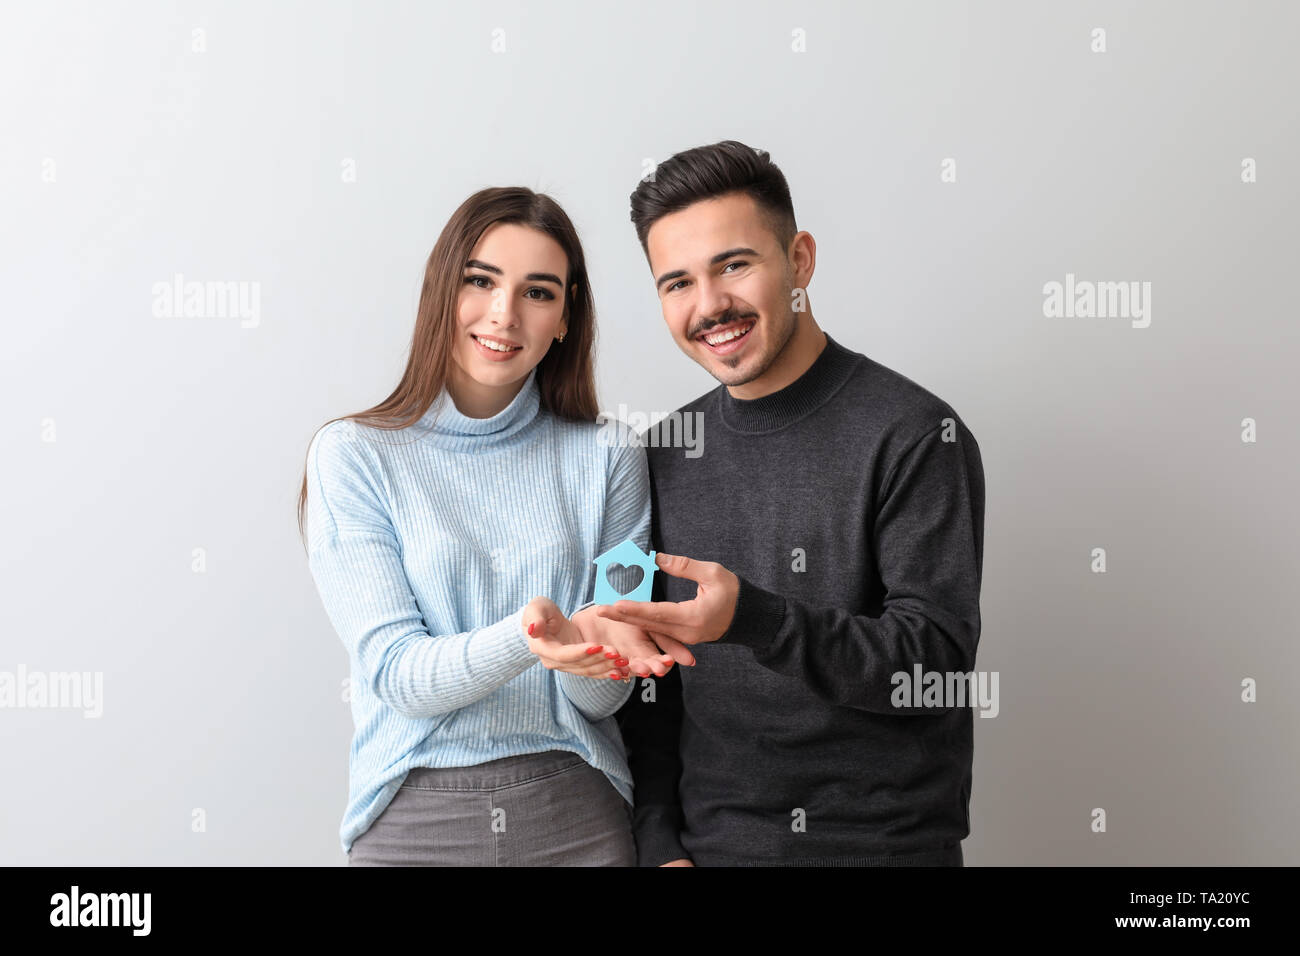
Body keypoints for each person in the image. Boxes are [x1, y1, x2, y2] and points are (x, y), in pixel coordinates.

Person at [605, 141, 986, 866]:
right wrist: (659, 846)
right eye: (677, 282)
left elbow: (932, 669)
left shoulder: (914, 435)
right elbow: (645, 684)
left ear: (800, 260)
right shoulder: (657, 455)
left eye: (734, 265)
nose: (709, 305)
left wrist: (755, 618)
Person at [296, 186, 692, 866]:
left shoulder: (609, 456)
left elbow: (602, 700)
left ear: (566, 317)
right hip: (413, 822)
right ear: (442, 292)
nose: (504, 315)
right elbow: (397, 674)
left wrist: (595, 651)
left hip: (577, 810)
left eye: (538, 292)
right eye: (481, 281)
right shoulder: (354, 456)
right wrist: (533, 633)